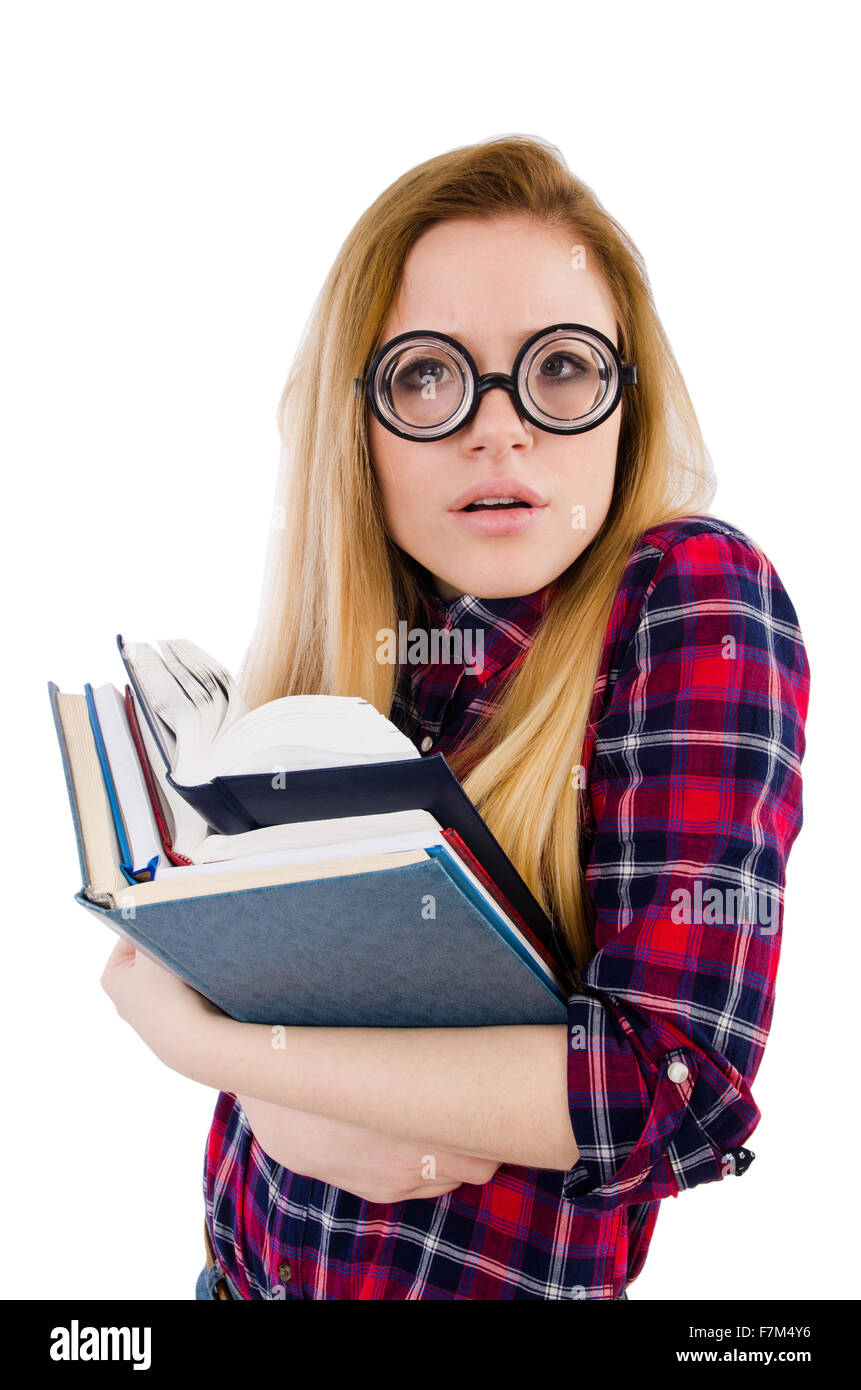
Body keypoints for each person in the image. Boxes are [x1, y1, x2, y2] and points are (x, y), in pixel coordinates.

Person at [101, 134, 810, 1301]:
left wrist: (222, 1057)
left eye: (563, 368)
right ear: (360, 420)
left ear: (625, 404)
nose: (501, 427)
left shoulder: (689, 595)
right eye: (427, 374)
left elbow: (673, 1089)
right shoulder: (365, 631)